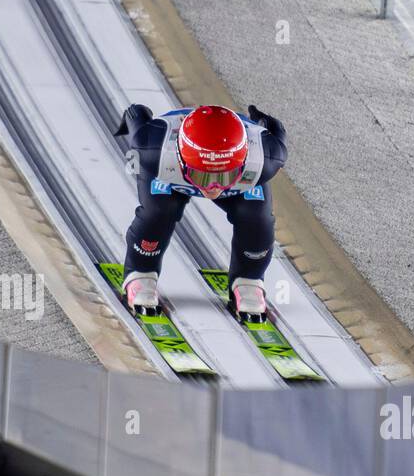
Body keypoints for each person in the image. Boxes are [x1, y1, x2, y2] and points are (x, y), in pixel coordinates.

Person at [114, 102, 287, 322]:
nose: (213, 187)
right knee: (158, 212)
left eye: (222, 176)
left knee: (257, 220)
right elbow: (136, 120)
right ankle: (141, 272)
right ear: (180, 156)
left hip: (188, 174)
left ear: (244, 160)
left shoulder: (266, 158)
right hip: (175, 174)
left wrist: (137, 112)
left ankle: (249, 279)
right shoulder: (153, 150)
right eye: (204, 177)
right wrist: (136, 113)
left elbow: (136, 116)